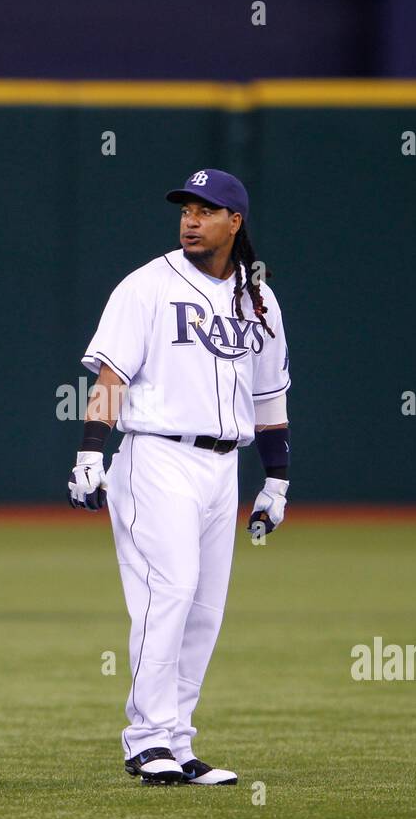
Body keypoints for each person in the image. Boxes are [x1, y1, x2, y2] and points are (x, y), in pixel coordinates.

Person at [68, 169, 292, 786]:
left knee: (204, 610)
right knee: (166, 596)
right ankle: (146, 740)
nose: (191, 220)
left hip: (226, 468)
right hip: (156, 457)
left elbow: (270, 398)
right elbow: (110, 380)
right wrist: (90, 454)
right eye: (186, 209)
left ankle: (177, 739)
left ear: (235, 221)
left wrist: (277, 482)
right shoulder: (146, 285)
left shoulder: (259, 299)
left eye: (206, 210)